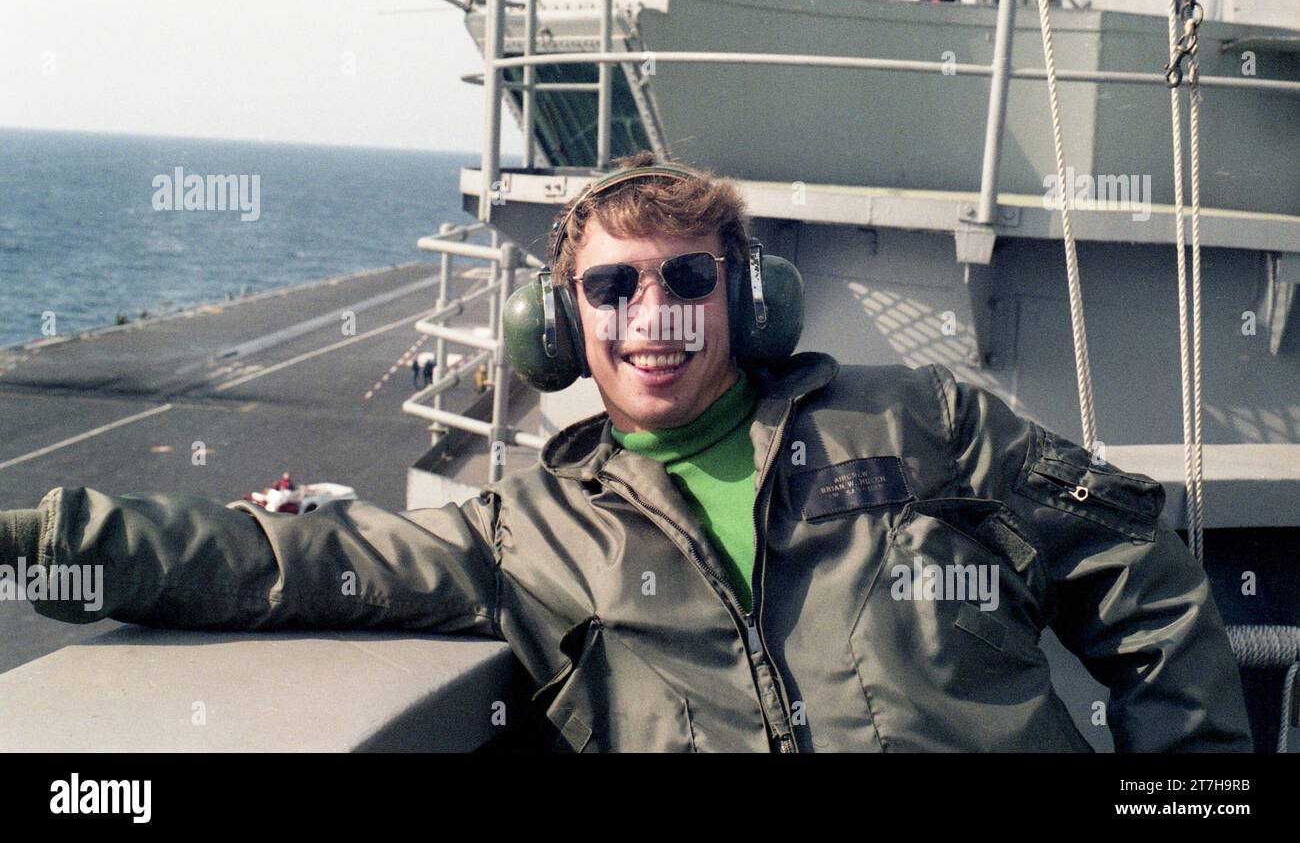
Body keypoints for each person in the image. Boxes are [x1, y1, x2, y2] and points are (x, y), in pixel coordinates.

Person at [0, 152, 1253, 753]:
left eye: (683, 278)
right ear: (559, 325)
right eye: (609, 288)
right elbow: (285, 559)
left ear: (745, 298)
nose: (646, 315)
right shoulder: (530, 524)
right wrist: (32, 538)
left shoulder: (927, 420)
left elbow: (1143, 581)